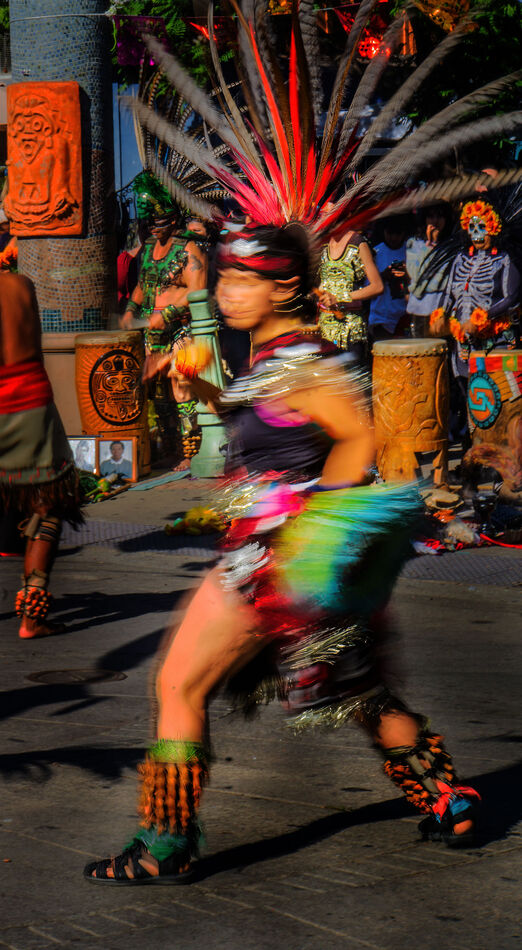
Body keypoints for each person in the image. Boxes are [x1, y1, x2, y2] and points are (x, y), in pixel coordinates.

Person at [82, 0, 520, 884]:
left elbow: (361, 442)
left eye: (242, 278)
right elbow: (271, 435)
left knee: (180, 685)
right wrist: (206, 386)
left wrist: (307, 534)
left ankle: (166, 844)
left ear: (281, 288)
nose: (227, 289)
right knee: (363, 695)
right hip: (300, 561)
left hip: (279, 561)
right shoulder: (282, 355)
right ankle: (450, 798)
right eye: (227, 275)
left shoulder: (313, 365)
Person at [0, 272, 82, 638]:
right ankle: (32, 616)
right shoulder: (20, 285)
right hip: (30, 402)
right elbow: (34, 341)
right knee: (47, 506)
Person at [121, 173, 208, 468]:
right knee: (158, 393)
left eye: (159, 223)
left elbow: (197, 292)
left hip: (181, 330)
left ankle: (190, 452)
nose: (154, 229)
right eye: (150, 224)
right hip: (151, 333)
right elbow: (142, 286)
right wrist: (132, 310)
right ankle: (170, 448)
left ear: (172, 218)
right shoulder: (147, 250)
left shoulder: (189, 249)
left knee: (180, 384)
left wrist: (167, 314)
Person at [430, 198, 520, 444]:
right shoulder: (459, 260)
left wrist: (483, 317)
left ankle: (497, 455)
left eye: (482, 228)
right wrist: (440, 315)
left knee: (495, 399)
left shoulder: (504, 259)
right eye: (472, 228)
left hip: (494, 342)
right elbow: (448, 294)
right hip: (463, 345)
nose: (477, 234)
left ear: (493, 229)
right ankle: (475, 455)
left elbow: (511, 298)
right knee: (469, 397)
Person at [317, 212, 383, 360]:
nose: (325, 217)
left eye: (329, 213)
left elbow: (377, 286)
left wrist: (339, 298)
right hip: (326, 330)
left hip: (351, 330)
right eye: (322, 214)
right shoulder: (325, 243)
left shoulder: (358, 242)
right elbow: (325, 283)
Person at [406, 204, 453, 338]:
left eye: (439, 216)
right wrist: (430, 245)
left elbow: (447, 279)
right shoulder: (414, 243)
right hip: (419, 309)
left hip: (441, 308)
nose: (435, 221)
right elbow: (415, 273)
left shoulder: (451, 245)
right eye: (431, 217)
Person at [368, 218, 410, 343]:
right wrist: (382, 276)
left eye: (397, 234)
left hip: (404, 316)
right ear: (384, 232)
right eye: (390, 233)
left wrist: (407, 275)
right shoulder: (376, 252)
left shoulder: (410, 252)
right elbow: (367, 287)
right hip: (380, 320)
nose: (393, 237)